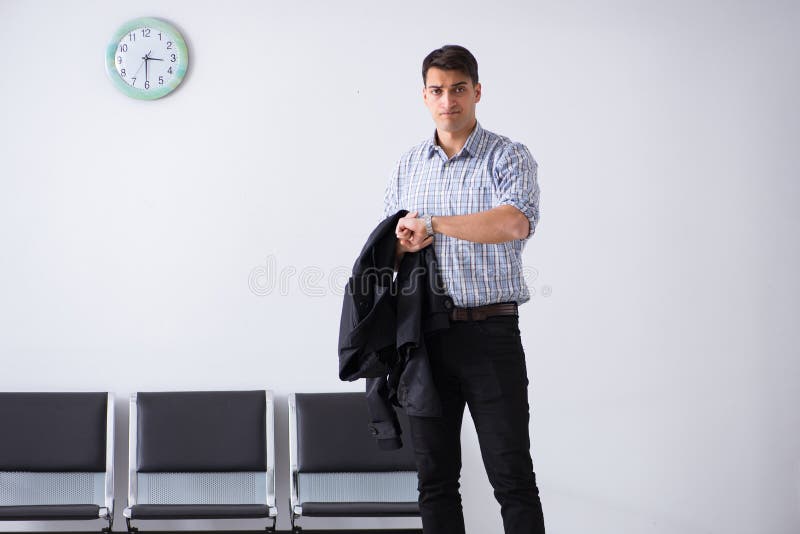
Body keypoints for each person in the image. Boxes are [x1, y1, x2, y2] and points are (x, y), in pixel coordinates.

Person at [382, 44, 545, 534]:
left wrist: (434, 223)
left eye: (457, 89)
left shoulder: (508, 156)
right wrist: (402, 244)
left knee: (511, 476)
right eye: (437, 90)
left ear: (477, 92)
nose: (447, 100)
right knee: (434, 481)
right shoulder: (409, 165)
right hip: (425, 340)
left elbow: (514, 222)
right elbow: (387, 247)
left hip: (490, 333)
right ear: (424, 96)